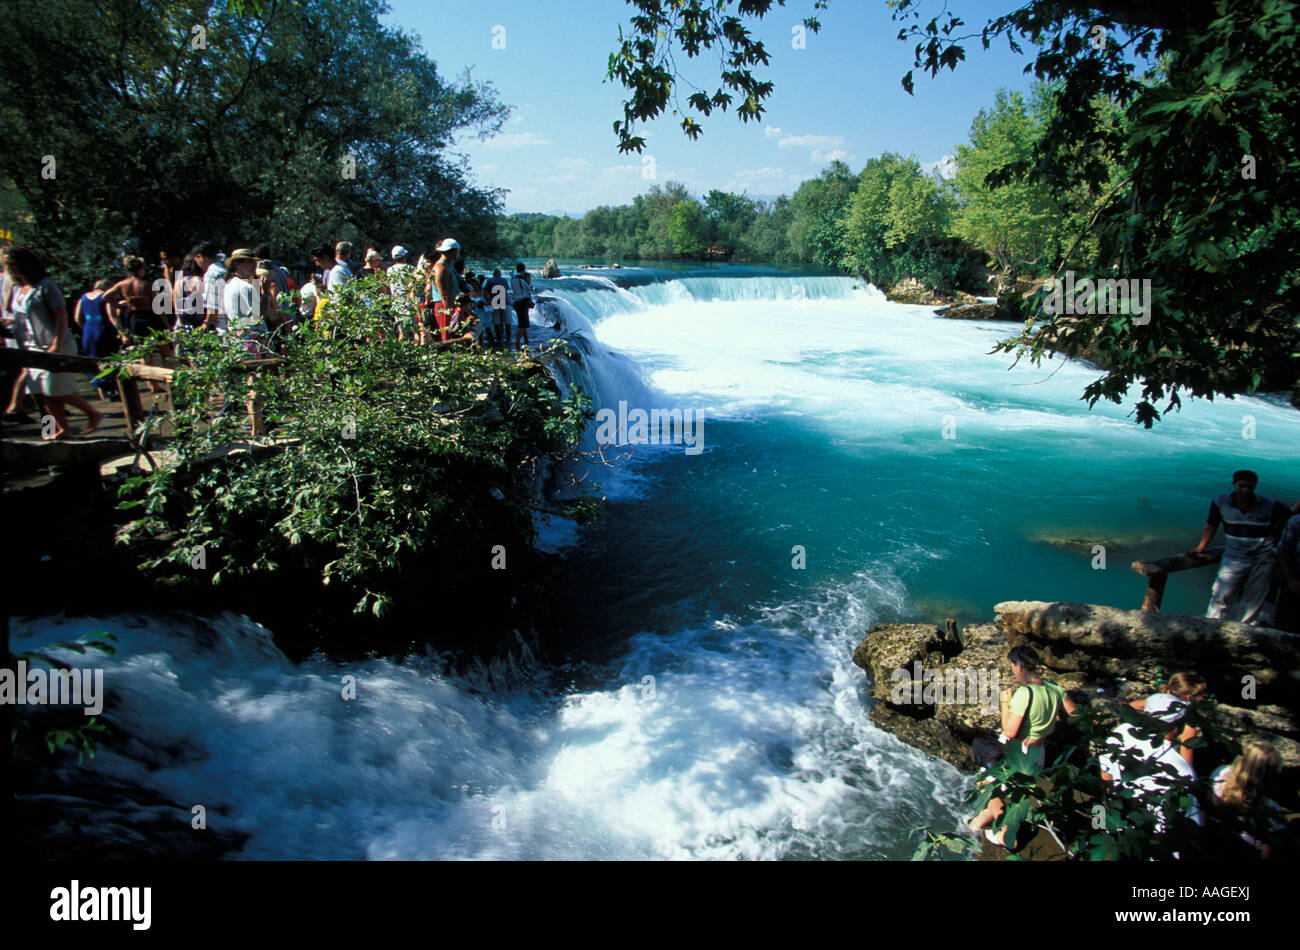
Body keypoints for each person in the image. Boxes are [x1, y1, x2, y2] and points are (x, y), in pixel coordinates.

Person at [968, 645, 1077, 846]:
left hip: (1018, 755)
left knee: (986, 786)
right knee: (1003, 787)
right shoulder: (1054, 687)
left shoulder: (1024, 693)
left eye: (1012, 666)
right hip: (1039, 756)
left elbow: (1009, 732)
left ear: (1019, 666)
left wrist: (1005, 703)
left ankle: (1006, 833)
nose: (1012, 670)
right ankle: (976, 824)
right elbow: (1075, 714)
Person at [2, 245, 104, 438]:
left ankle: (93, 413)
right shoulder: (18, 289)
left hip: (55, 344)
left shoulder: (46, 287)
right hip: (32, 346)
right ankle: (62, 429)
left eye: (12, 264)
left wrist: (56, 343)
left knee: (55, 389)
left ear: (24, 264)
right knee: (42, 393)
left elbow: (61, 315)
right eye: (7, 265)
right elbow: (21, 316)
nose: (10, 269)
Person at [1189, 471, 1292, 624]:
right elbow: (1211, 524)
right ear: (1234, 485)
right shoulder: (1220, 502)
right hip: (1234, 555)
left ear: (1255, 486)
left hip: (1263, 556)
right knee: (1221, 593)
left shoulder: (1269, 504)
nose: (1246, 490)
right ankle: (1213, 625)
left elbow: (1289, 517)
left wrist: (1277, 532)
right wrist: (1201, 546)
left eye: (1250, 486)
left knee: (1255, 596)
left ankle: (1245, 628)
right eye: (1241, 486)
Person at [1207, 741, 1285, 859]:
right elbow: (1268, 847)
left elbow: (1206, 807)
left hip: (1212, 841)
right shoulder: (1270, 808)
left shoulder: (1220, 775)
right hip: (1245, 851)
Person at [222, 248, 268, 435]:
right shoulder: (246, 287)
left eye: (253, 263)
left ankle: (256, 425)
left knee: (249, 383)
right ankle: (257, 427)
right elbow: (259, 314)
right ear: (236, 265)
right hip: (252, 337)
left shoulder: (229, 285)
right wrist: (264, 292)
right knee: (255, 383)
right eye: (247, 263)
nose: (252, 266)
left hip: (238, 336)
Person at [74, 279, 120, 401]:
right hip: (105, 331)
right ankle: (115, 393)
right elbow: (112, 316)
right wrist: (121, 331)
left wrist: (85, 329)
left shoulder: (83, 298)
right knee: (111, 360)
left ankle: (103, 397)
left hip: (88, 333)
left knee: (94, 363)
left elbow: (77, 318)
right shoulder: (105, 297)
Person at [1272, 501, 1300, 633]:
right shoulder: (1296, 522)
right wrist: (1291, 579)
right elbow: (1284, 551)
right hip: (1295, 575)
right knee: (1287, 620)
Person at [429, 239, 461, 343]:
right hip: (443, 306)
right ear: (452, 251)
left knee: (454, 333)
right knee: (447, 334)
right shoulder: (440, 268)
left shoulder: (449, 265)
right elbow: (444, 294)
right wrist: (450, 312)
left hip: (452, 304)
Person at [192, 242, 227, 333]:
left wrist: (205, 325)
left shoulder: (211, 274)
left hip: (224, 327)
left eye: (196, 261)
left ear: (200, 257)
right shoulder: (225, 269)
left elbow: (213, 308)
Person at [172, 255, 206, 331]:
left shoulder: (178, 282)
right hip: (196, 320)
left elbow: (175, 301)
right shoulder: (198, 280)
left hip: (182, 318)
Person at [483, 267, 512, 348]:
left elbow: (486, 291)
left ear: (493, 274)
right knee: (507, 321)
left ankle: (499, 338)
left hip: (495, 302)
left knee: (497, 322)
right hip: (505, 302)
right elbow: (506, 289)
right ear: (500, 274)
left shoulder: (490, 280)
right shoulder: (504, 280)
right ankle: (509, 338)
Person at [509, 262, 534, 351]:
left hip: (516, 302)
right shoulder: (522, 280)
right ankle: (518, 343)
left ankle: (526, 341)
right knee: (522, 324)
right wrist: (529, 282)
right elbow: (530, 288)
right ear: (523, 270)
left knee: (524, 323)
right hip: (522, 302)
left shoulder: (512, 279)